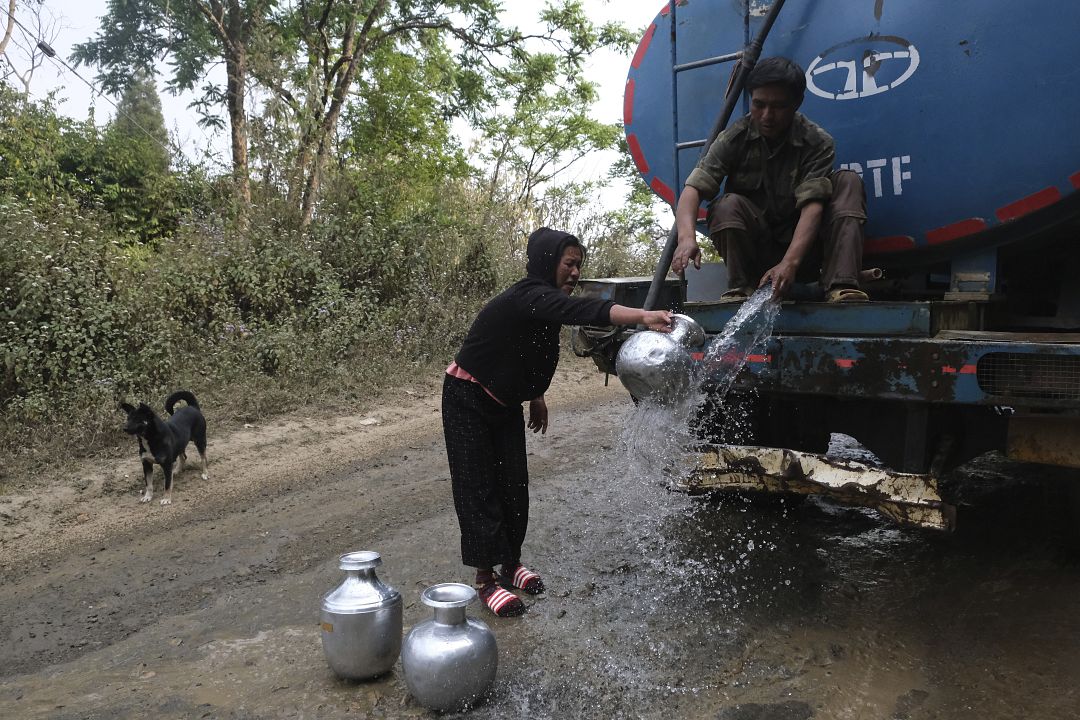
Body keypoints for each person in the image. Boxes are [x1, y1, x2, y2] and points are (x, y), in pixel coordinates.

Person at [442, 227, 672, 617]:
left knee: (514, 483)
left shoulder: (545, 304)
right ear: (548, 262)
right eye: (569, 263)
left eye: (579, 265)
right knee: (479, 487)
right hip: (468, 398)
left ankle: (511, 564)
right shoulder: (528, 296)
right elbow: (586, 310)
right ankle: (485, 580)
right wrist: (642, 316)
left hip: (503, 399)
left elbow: (524, 351)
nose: (575, 272)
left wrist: (536, 395)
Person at [670, 56, 869, 303]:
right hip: (759, 256)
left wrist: (789, 263)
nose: (766, 115)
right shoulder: (734, 137)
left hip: (806, 253)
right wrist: (687, 238)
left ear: (797, 103)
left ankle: (841, 286)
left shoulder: (817, 142)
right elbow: (693, 190)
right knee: (726, 204)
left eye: (778, 106)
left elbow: (813, 207)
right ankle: (741, 288)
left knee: (847, 181)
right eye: (759, 104)